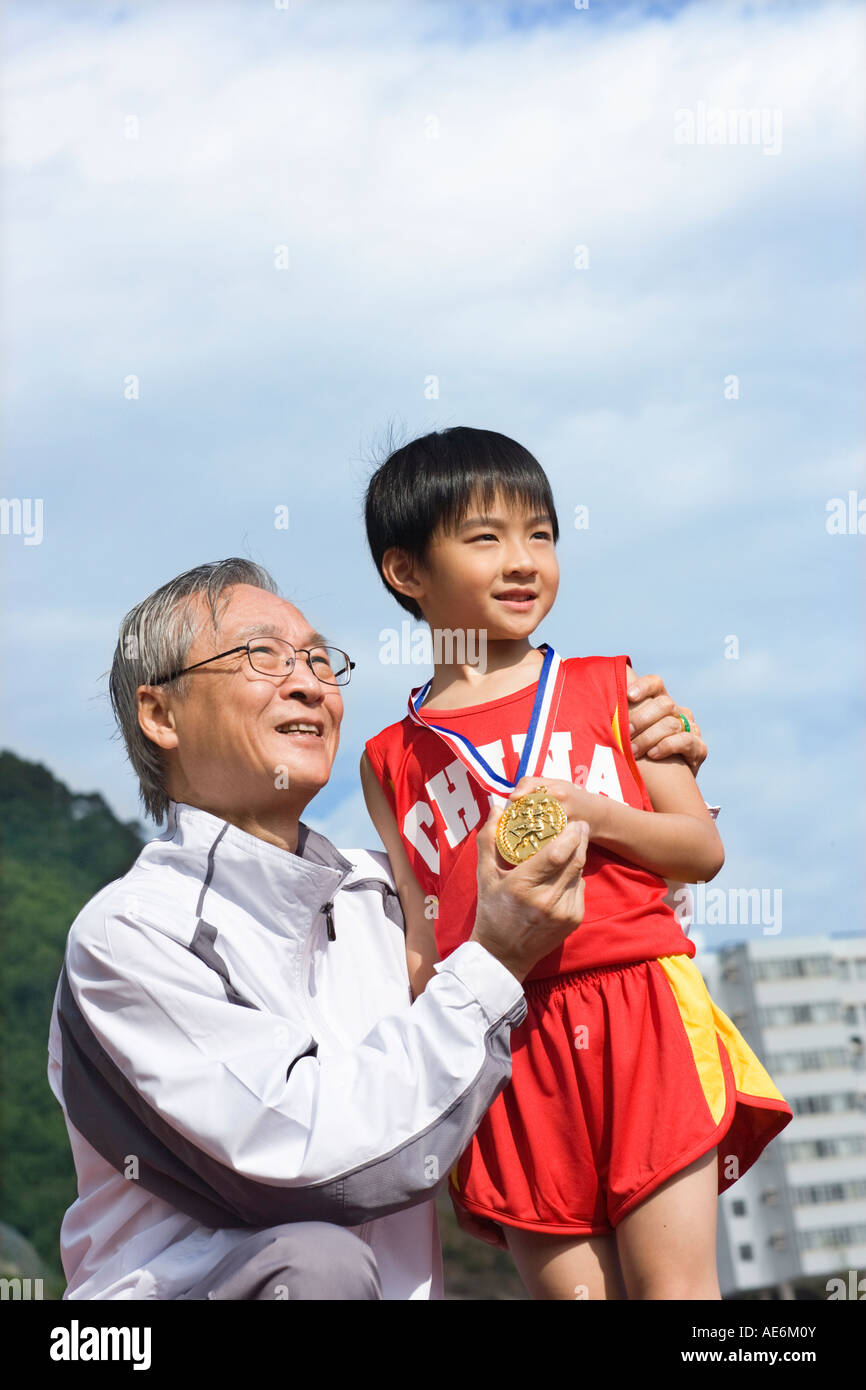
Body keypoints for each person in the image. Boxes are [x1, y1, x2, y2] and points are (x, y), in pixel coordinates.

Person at [48, 557, 595, 1301]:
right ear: (161, 715)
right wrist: (495, 961)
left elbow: (600, 961)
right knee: (315, 1263)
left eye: (318, 658)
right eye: (261, 656)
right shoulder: (131, 935)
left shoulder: (391, 896)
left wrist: (646, 756)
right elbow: (307, 1162)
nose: (308, 681)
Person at [361, 426, 793, 1300]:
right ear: (406, 572)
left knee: (674, 1289)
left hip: (640, 1004)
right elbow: (419, 930)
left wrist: (596, 813)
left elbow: (701, 850)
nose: (523, 561)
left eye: (542, 534)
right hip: (508, 1043)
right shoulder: (389, 757)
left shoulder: (614, 686)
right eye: (486, 537)